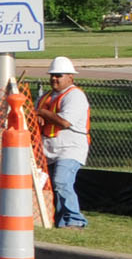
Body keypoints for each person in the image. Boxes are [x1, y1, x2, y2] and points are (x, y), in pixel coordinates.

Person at [34, 56, 90, 229]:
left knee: (62, 181)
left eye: (59, 75)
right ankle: (60, 220)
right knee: (51, 185)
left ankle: (75, 219)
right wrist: (37, 116)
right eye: (52, 75)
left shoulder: (75, 96)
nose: (54, 79)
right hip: (48, 148)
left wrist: (42, 113)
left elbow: (65, 122)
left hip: (70, 148)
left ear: (70, 77)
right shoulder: (45, 97)